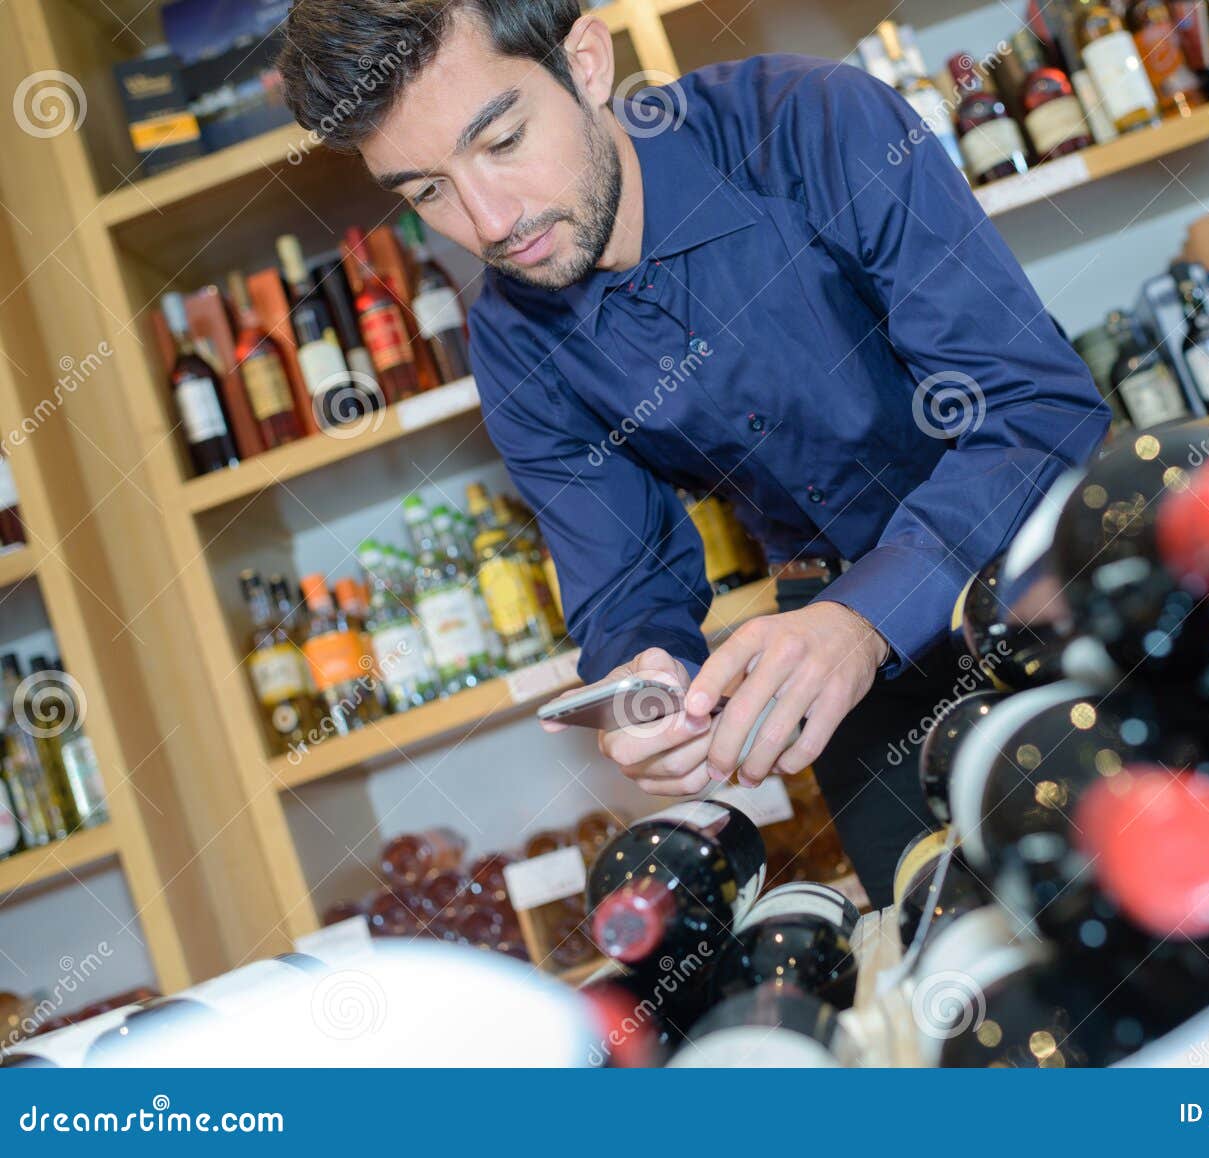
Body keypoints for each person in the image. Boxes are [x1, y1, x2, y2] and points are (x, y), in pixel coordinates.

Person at [278, 0, 1109, 906]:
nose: (489, 222)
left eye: (503, 140)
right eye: (427, 191)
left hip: (1053, 574)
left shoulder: (815, 123)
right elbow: (624, 584)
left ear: (586, 62)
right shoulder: (513, 340)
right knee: (950, 978)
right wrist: (643, 687)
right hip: (833, 658)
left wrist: (866, 620)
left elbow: (1038, 410)